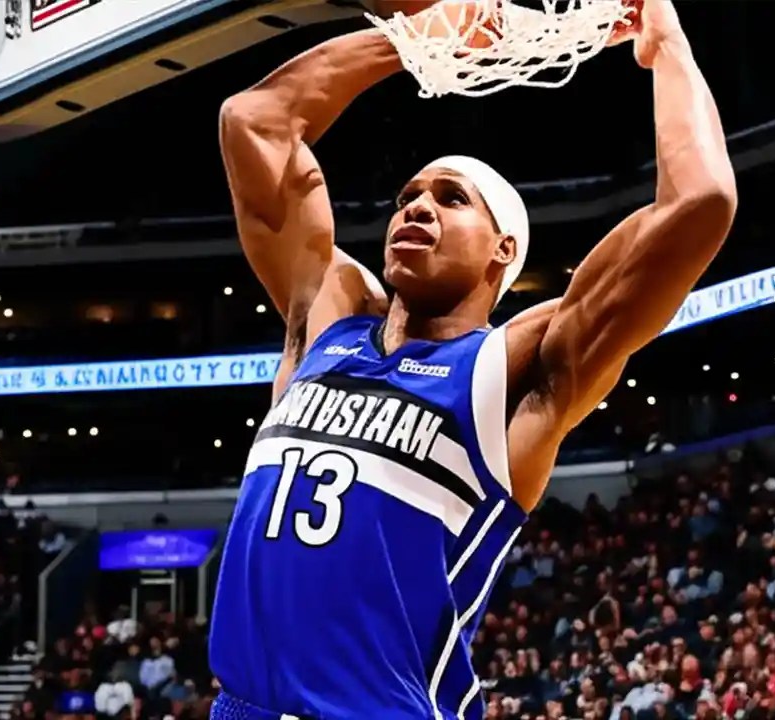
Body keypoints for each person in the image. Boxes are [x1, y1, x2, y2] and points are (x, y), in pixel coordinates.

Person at [209, 1, 736, 718]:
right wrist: (420, 42)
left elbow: (700, 202)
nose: (415, 209)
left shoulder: (515, 370)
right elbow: (253, 121)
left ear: (503, 252)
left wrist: (666, 41)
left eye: (450, 199)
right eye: (407, 196)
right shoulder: (325, 317)